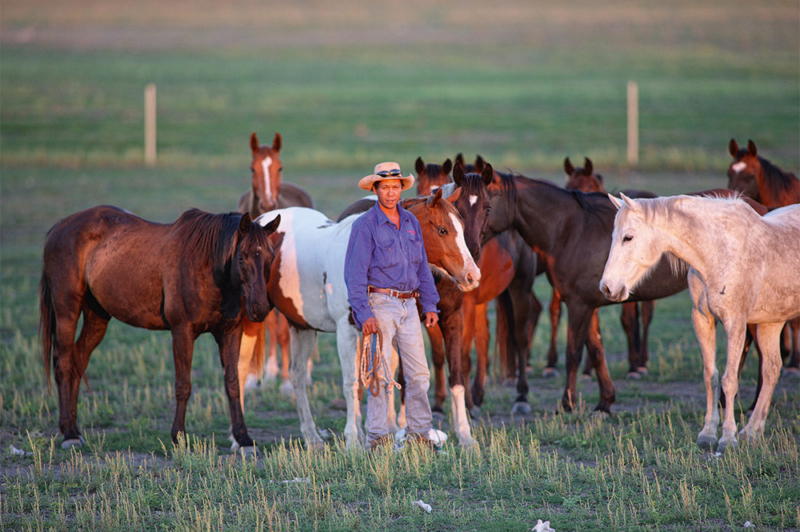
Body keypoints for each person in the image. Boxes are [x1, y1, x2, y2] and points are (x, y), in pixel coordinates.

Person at [345, 162, 440, 451]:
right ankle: (377, 437)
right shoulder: (365, 225)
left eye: (395, 187)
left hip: (409, 305)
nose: (390, 193)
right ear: (375, 190)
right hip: (380, 304)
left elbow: (422, 267)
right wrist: (364, 313)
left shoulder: (410, 222)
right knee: (380, 374)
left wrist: (430, 304)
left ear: (402, 189)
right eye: (385, 187)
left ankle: (420, 434)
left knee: (419, 373)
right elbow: (354, 275)